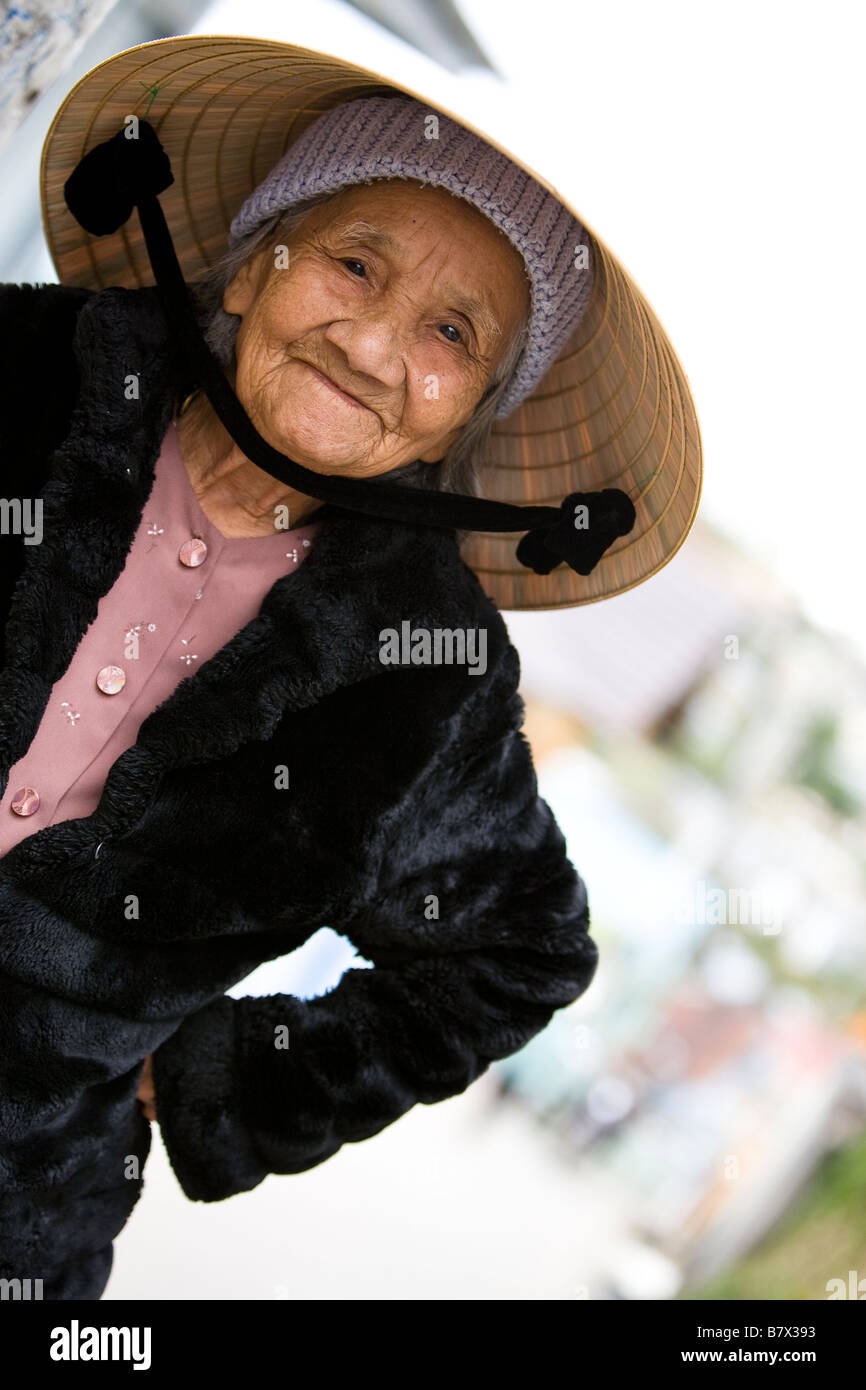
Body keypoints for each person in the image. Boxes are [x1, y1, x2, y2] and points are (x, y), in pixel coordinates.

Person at [0, 36, 701, 1301]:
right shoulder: (26, 372)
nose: (373, 347)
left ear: (467, 408)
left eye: (449, 332)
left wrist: (215, 1077)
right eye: (352, 263)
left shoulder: (424, 678)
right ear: (250, 264)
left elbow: (518, 953)